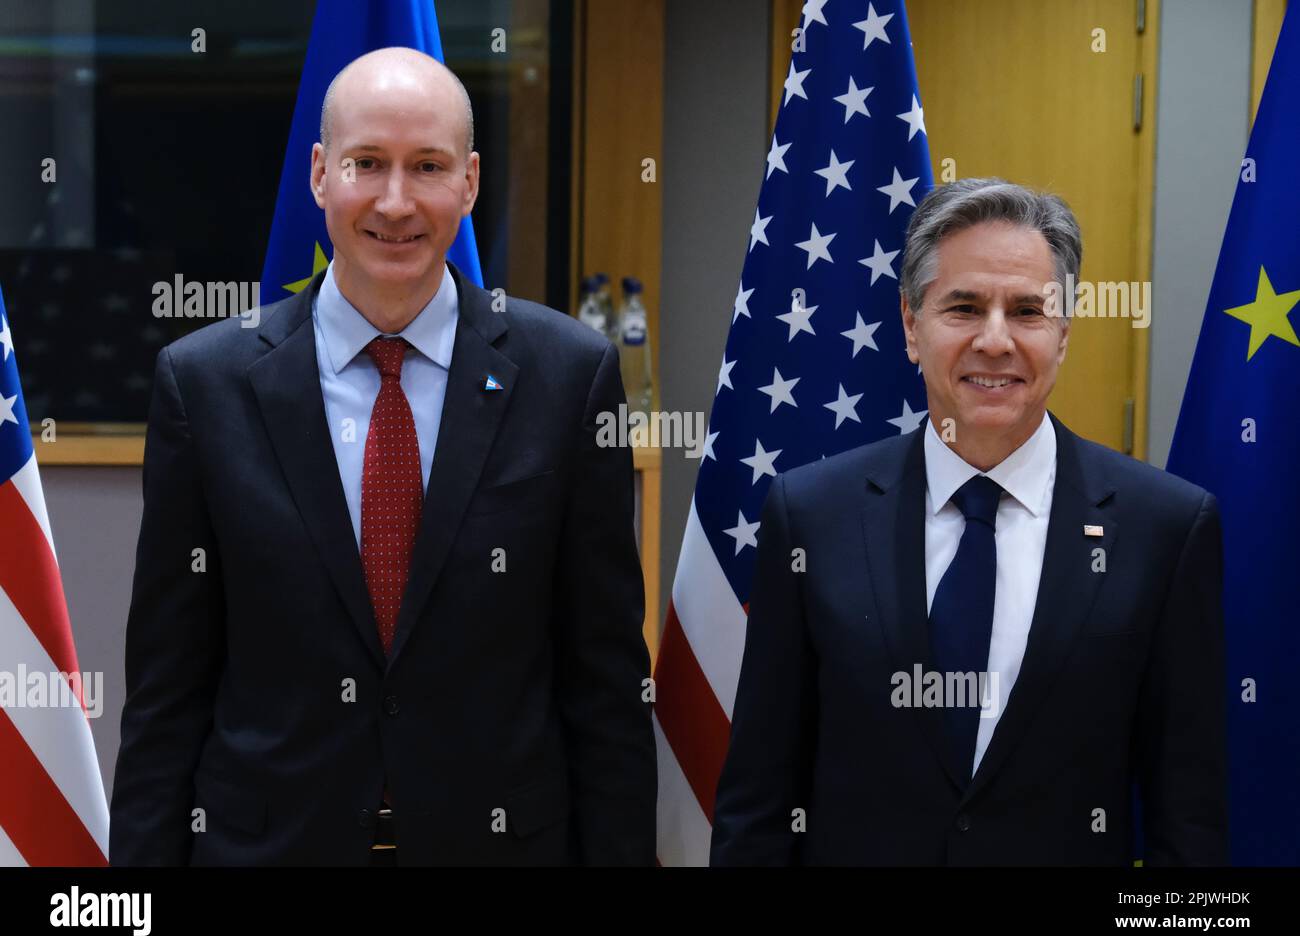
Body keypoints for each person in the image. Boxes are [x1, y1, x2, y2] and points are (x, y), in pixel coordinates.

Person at [110, 47, 655, 866]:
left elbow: (604, 687)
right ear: (321, 174)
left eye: (427, 166)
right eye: (368, 163)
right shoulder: (204, 385)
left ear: (469, 183)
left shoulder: (568, 379)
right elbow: (166, 697)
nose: (395, 202)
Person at [711, 178, 1228, 866]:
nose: (995, 340)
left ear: (1063, 335)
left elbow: (1187, 822)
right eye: (963, 307)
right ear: (910, 326)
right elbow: (759, 805)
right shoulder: (810, 516)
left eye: (1026, 311)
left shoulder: (1164, 528)